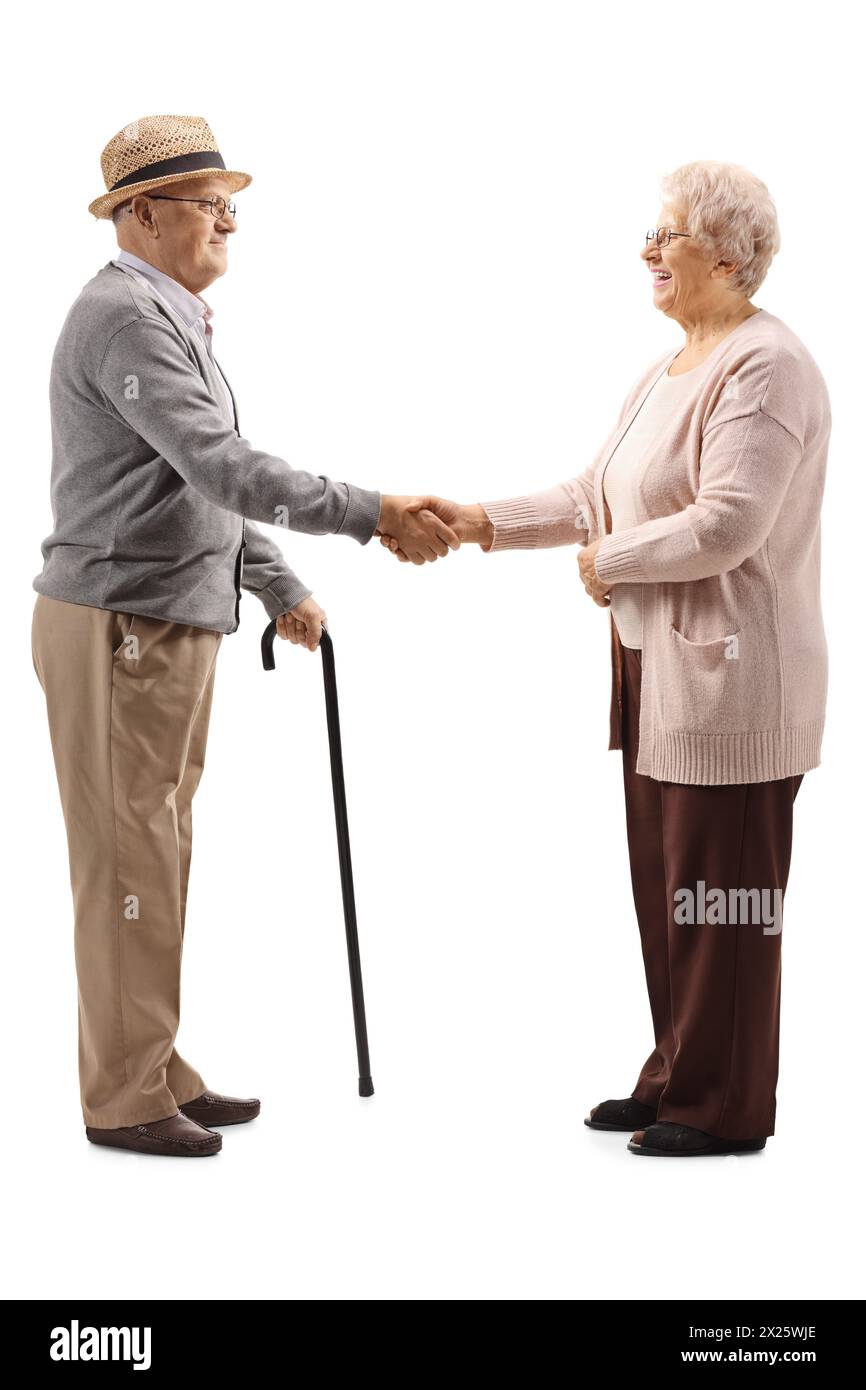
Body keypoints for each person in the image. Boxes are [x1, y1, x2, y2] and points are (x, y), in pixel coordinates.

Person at [380, 161, 831, 1157]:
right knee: (669, 885)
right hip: (656, 669)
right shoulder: (667, 368)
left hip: (734, 678)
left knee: (726, 896)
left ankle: (722, 1106)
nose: (644, 251)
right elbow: (594, 494)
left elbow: (727, 525)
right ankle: (676, 1074)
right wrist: (477, 522)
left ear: (724, 254)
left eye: (662, 235)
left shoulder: (765, 365)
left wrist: (607, 565)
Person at [31, 113, 459, 1158]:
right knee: (131, 859)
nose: (229, 219)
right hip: (120, 625)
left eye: (233, 200)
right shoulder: (127, 315)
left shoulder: (167, 315)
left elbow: (193, 485)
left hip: (163, 621)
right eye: (206, 199)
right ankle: (123, 1097)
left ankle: (152, 1064)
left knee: (157, 855)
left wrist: (273, 582)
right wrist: (370, 511)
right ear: (140, 213)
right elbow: (222, 466)